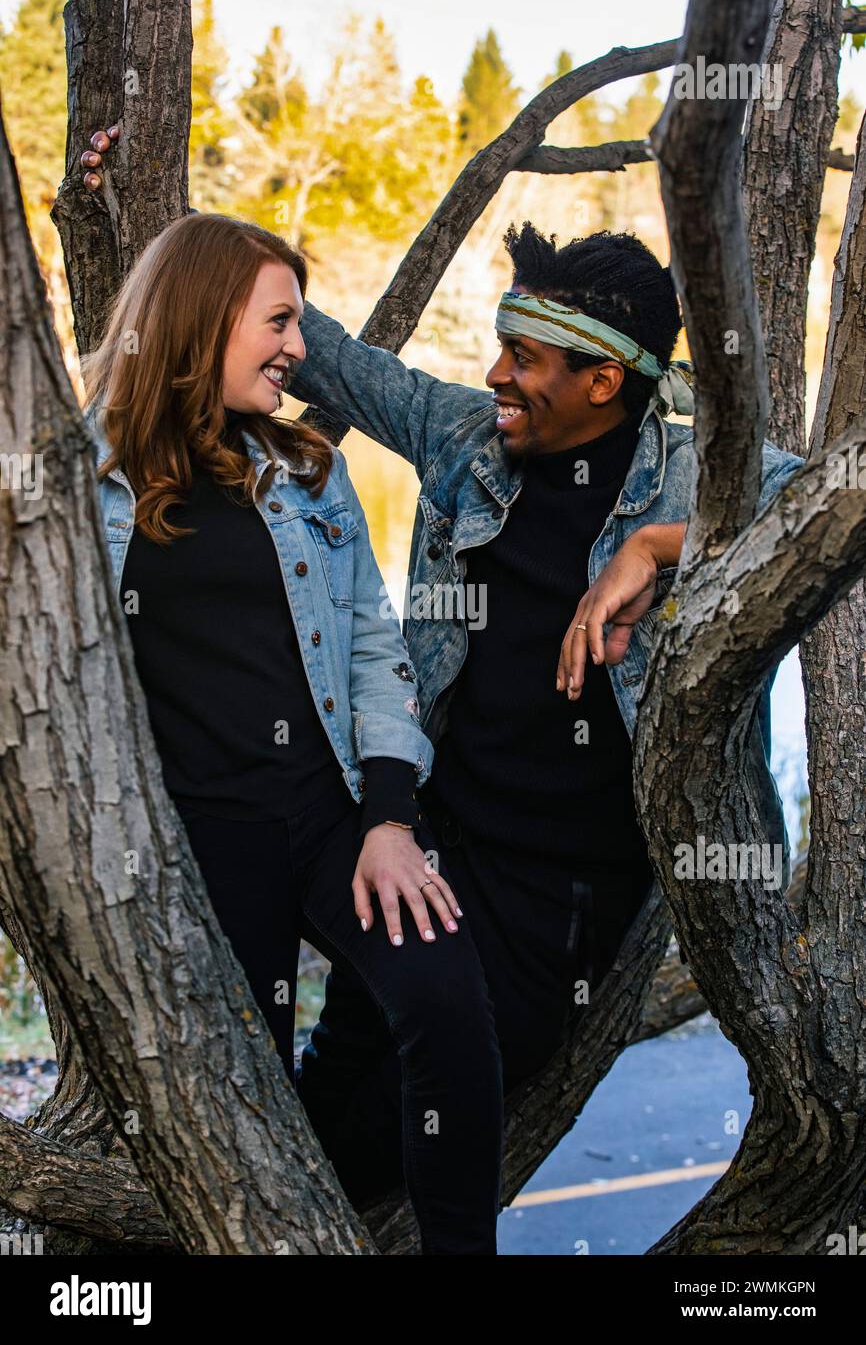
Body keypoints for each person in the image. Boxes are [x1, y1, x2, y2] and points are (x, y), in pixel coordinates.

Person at [81, 126, 803, 1210]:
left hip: (558, 891)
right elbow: (308, 344)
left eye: (523, 359)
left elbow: (829, 503)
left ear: (603, 380)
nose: (493, 374)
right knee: (322, 1097)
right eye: (500, 346)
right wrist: (126, 200)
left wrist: (656, 549)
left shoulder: (699, 473)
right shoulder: (465, 437)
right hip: (420, 838)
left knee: (383, 1148)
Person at [78, 206, 504, 1256]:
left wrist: (390, 816)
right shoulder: (77, 478)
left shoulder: (305, 470)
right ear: (202, 318)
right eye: (277, 322)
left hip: (331, 817)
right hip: (196, 848)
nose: (298, 350)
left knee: (448, 1009)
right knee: (248, 1110)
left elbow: (370, 645)